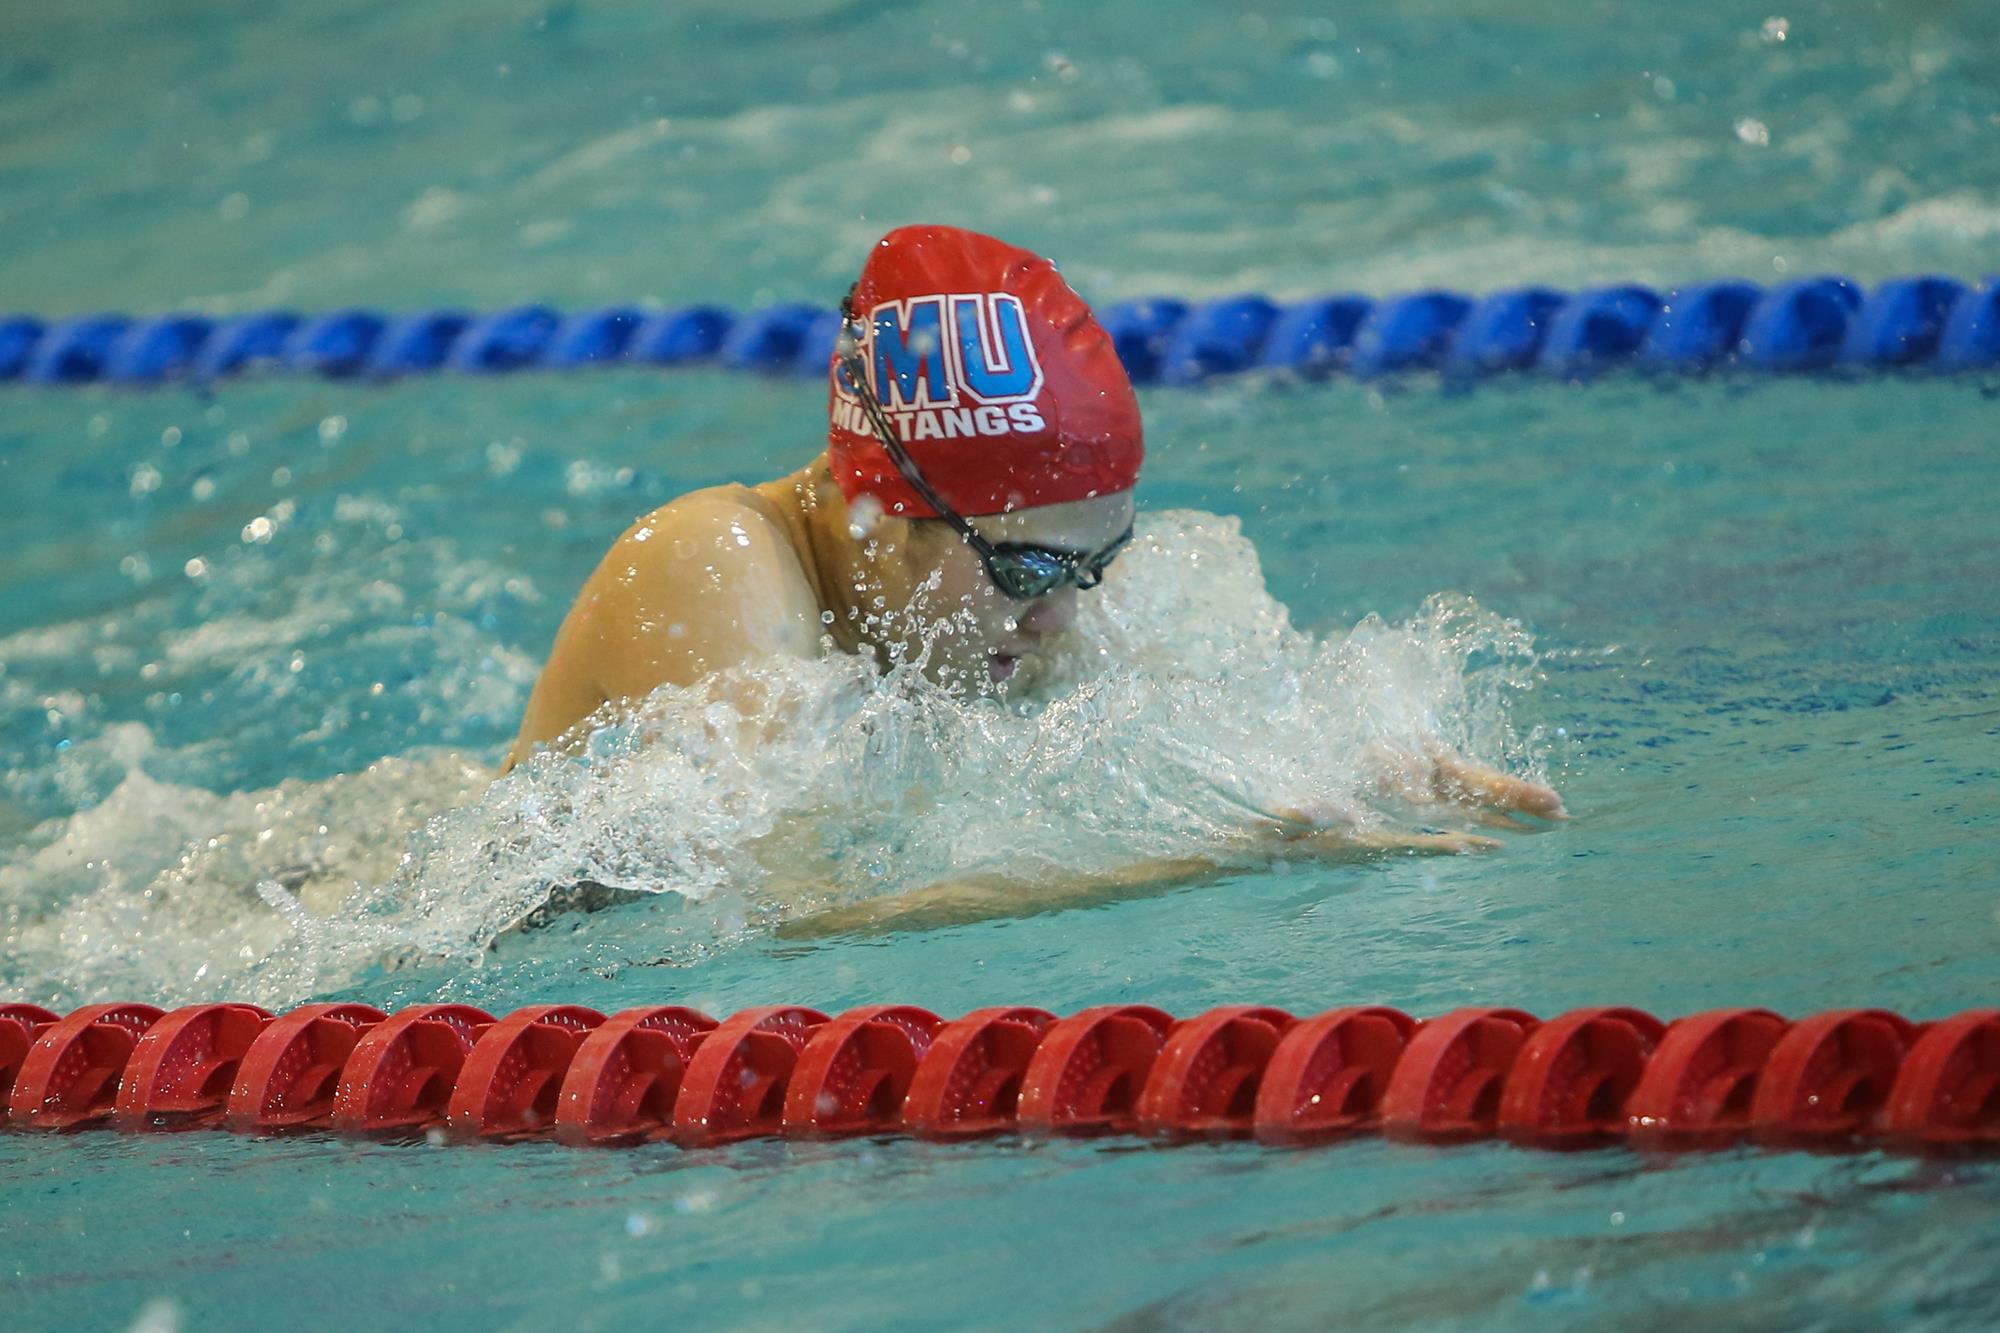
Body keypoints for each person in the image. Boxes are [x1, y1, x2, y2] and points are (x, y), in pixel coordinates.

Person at [503, 225, 1563, 929]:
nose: (1058, 613)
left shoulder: (1030, 600)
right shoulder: (713, 562)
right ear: (884, 509)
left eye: (1096, 563)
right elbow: (793, 904)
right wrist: (1199, 857)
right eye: (1024, 566)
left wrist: (1342, 769)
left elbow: (1173, 736)